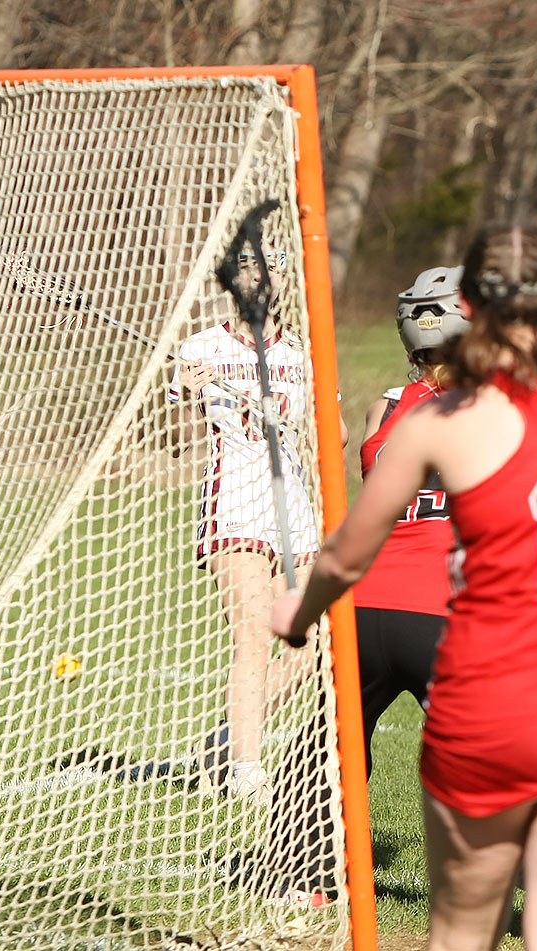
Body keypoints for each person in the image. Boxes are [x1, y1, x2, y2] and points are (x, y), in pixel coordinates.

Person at [272, 223, 537, 951]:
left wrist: (300, 612)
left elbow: (348, 546)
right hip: (499, 645)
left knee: (333, 741)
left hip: (372, 610)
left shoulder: (405, 415)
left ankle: (304, 868)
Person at [169, 242, 346, 804]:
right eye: (246, 277)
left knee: (313, 645)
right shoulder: (201, 348)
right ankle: (247, 766)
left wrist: (292, 415)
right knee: (253, 636)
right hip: (235, 503)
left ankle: (223, 739)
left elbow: (335, 436)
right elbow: (174, 443)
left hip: (292, 507)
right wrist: (184, 396)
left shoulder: (302, 352)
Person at [353, 265, 467, 777]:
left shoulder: (386, 408)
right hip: (439, 611)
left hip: (361, 607)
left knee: (331, 761)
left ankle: (306, 855)